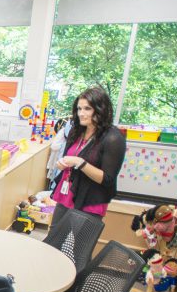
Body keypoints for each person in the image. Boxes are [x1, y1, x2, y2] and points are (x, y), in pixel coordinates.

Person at [51, 86, 126, 225]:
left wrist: (80, 162)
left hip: (90, 201)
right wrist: (62, 164)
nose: (81, 113)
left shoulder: (113, 138)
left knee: (77, 245)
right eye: (79, 109)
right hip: (67, 194)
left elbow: (108, 179)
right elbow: (69, 157)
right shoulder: (76, 130)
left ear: (100, 109)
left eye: (87, 109)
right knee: (53, 239)